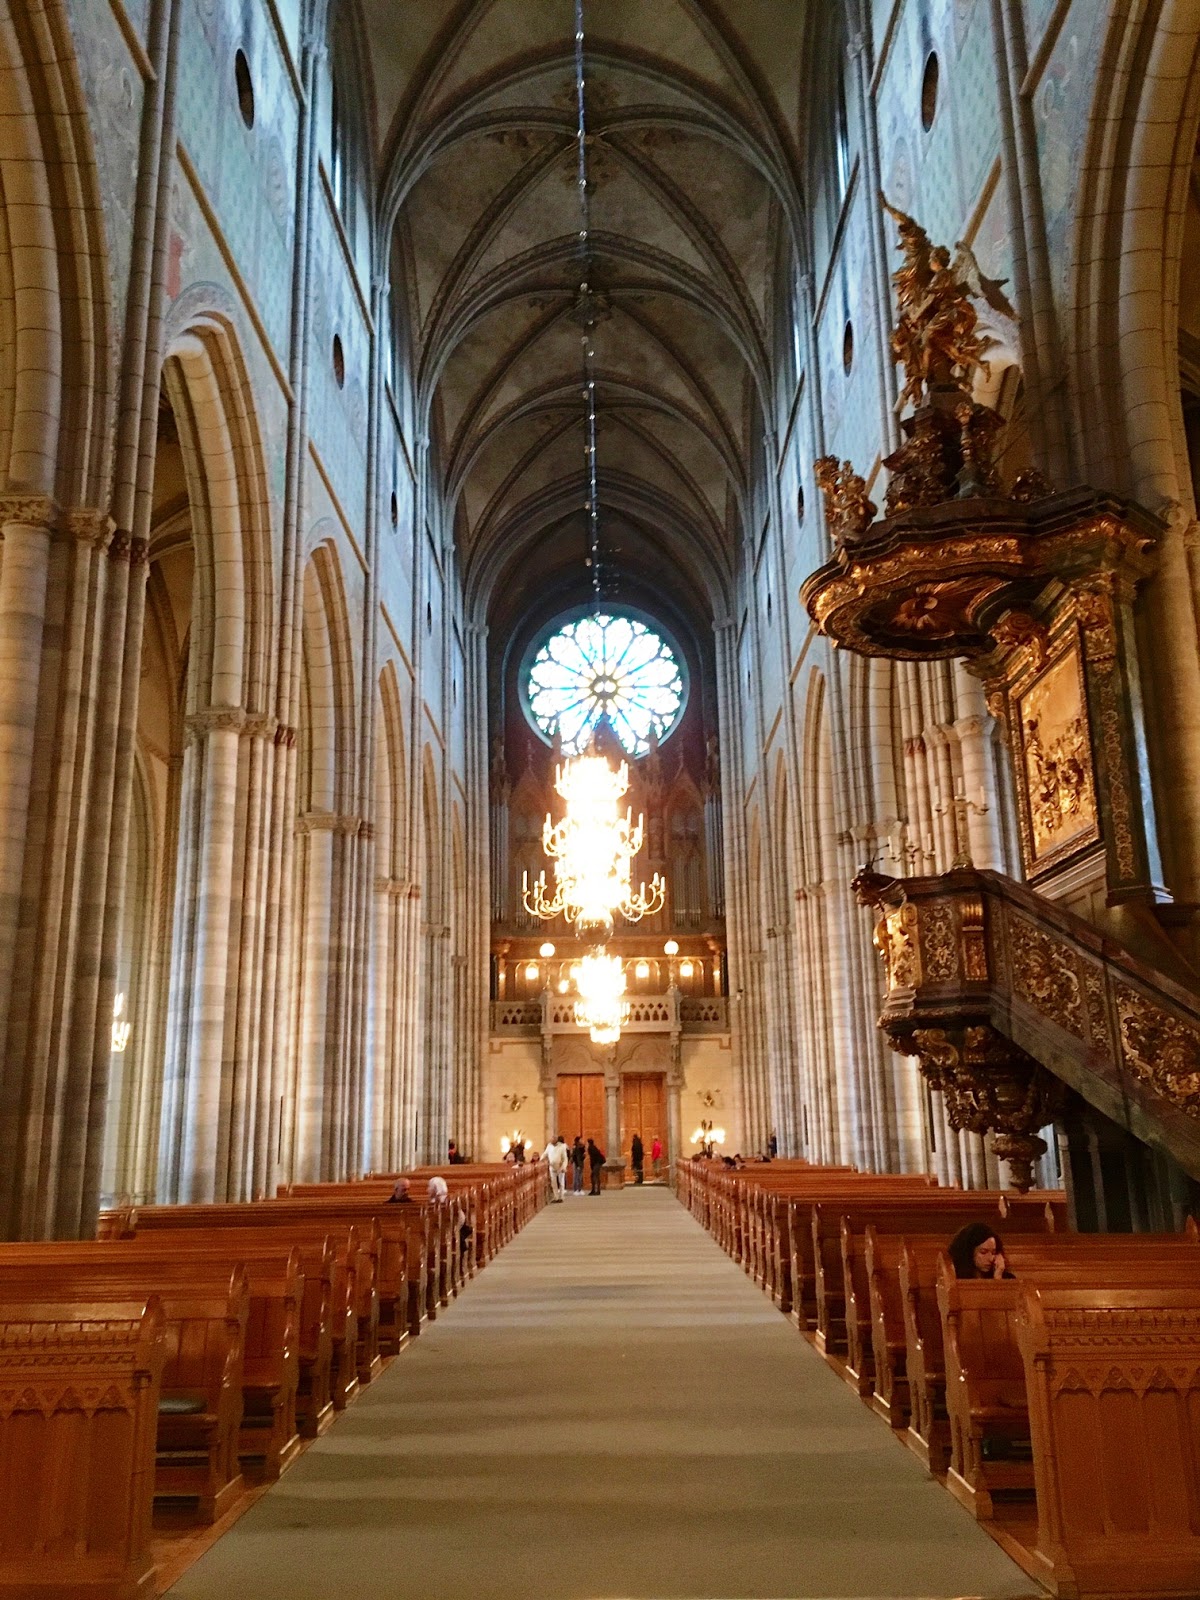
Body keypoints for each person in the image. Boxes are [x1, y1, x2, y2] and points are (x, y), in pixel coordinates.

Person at [948, 1221, 1014, 1280]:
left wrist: (998, 1277)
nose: (991, 1259)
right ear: (969, 1253)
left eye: (993, 1253)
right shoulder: (954, 1278)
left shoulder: (1007, 1278)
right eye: (983, 1252)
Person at [543, 1133, 569, 1202]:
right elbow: (545, 1154)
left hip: (560, 1166)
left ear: (557, 1140)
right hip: (552, 1166)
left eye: (554, 1138)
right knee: (553, 1183)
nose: (552, 1140)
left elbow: (565, 1158)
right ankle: (556, 1197)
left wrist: (564, 1167)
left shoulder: (562, 1146)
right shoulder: (549, 1146)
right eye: (552, 1138)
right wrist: (540, 1160)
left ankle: (561, 1197)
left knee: (561, 1182)